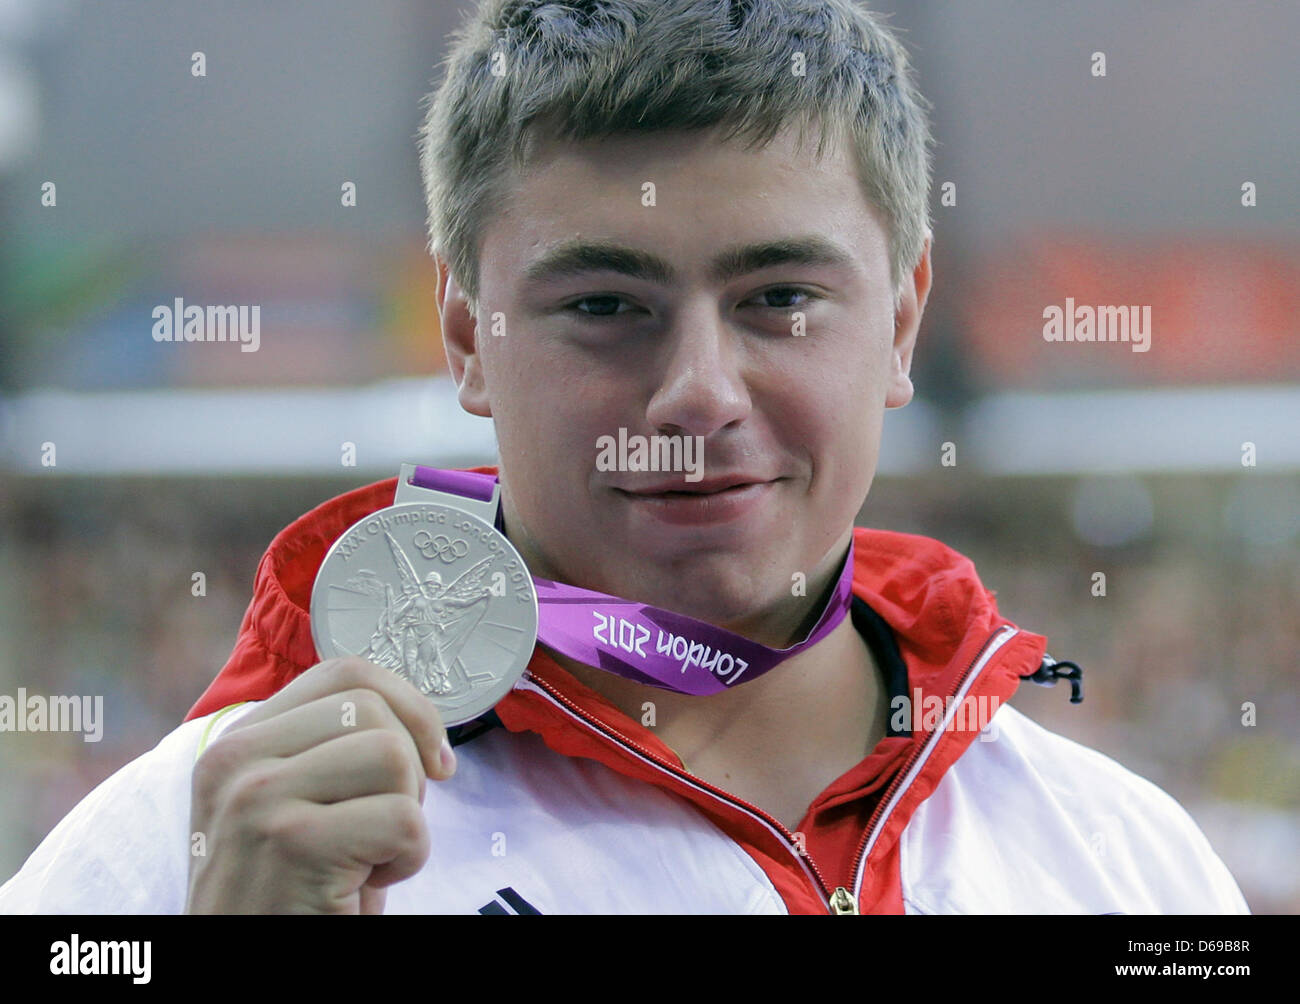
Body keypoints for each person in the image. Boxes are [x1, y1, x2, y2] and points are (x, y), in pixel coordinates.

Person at [0, 0, 1247, 915]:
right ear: (464, 336)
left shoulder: (1126, 858)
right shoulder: (196, 849)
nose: (697, 392)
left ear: (904, 320)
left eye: (780, 297)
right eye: (604, 304)